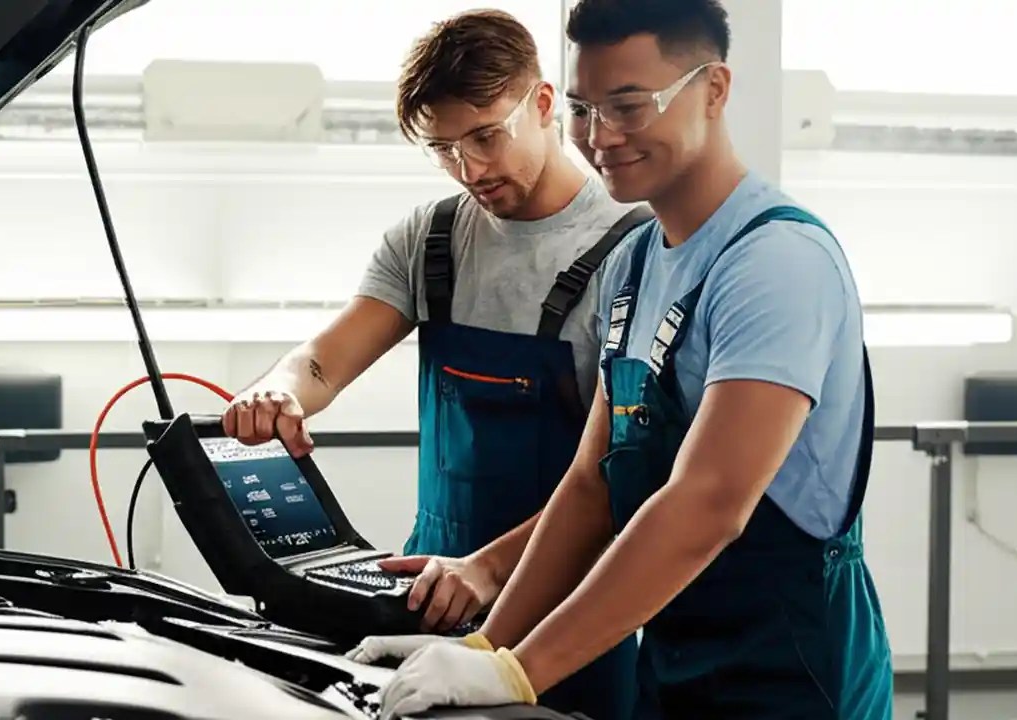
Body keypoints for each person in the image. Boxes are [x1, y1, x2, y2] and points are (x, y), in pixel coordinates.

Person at [350, 1, 896, 719]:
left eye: (629, 106)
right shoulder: (637, 260)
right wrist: (488, 645)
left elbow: (706, 506)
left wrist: (519, 673)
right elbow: (592, 486)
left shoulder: (775, 264)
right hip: (676, 662)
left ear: (714, 89)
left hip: (792, 673)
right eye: (582, 109)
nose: (599, 136)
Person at [221, 9, 647, 720]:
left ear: (542, 103)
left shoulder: (633, 253)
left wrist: (488, 571)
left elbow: (622, 479)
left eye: (485, 137)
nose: (469, 169)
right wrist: (279, 391)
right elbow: (322, 364)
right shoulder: (431, 239)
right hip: (427, 595)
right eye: (442, 149)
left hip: (568, 613)